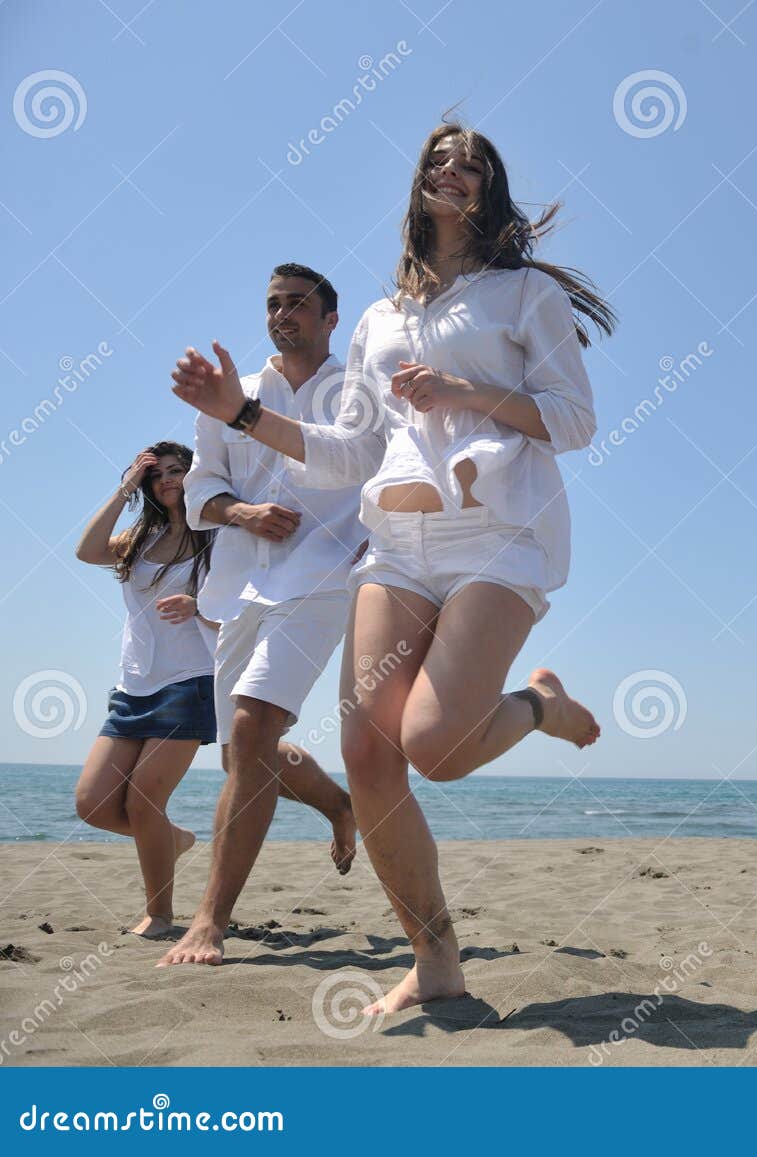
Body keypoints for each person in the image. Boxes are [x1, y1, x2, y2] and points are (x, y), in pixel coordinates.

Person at [170, 123, 609, 1012]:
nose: (454, 171)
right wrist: (244, 414)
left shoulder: (524, 294)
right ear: (416, 187)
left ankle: (535, 705)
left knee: (436, 748)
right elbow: (349, 452)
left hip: (499, 533)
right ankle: (435, 957)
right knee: (368, 753)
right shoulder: (378, 319)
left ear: (490, 189)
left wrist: (463, 394)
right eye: (439, 161)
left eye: (474, 163)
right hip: (397, 546)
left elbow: (573, 420)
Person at [159, 263, 365, 968]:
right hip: (237, 589)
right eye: (273, 303)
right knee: (242, 754)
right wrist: (241, 510)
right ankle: (339, 804)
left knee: (251, 727)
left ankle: (209, 922)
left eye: (298, 304)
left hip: (326, 577)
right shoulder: (231, 392)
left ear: (330, 318)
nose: (283, 314)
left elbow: (384, 469)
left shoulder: (356, 393)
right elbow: (199, 496)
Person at [73, 443, 214, 937]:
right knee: (92, 804)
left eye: (178, 471)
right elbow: (86, 550)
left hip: (189, 682)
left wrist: (199, 607)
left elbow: (243, 607)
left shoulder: (215, 540)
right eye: (158, 476)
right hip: (132, 686)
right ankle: (171, 840)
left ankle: (159, 915)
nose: (168, 480)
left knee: (142, 801)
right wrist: (124, 487)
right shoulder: (139, 539)